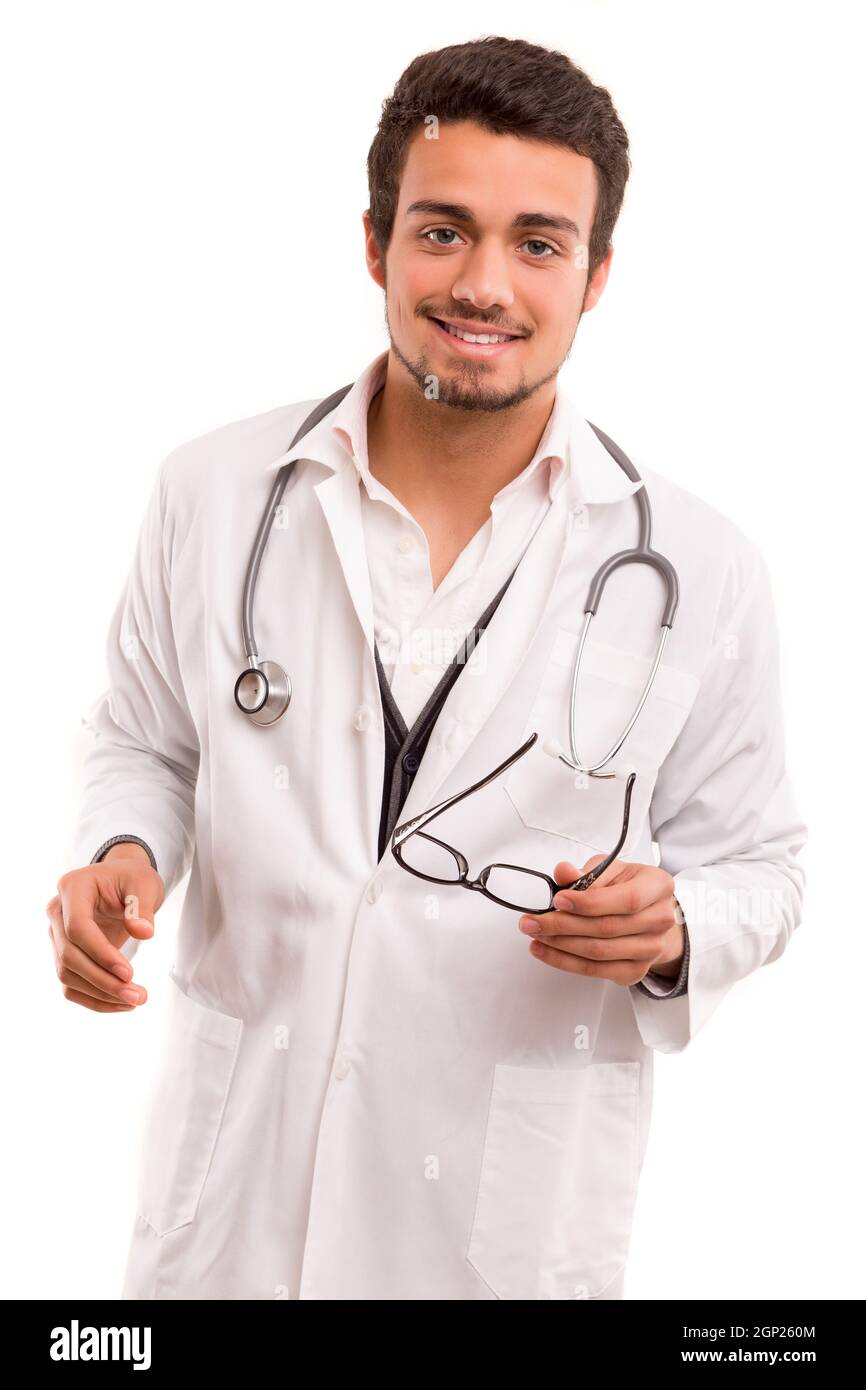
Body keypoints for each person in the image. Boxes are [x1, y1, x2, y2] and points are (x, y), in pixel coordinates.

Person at [48, 35, 807, 1300]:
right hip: (227, 1223)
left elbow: (762, 869)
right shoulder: (213, 491)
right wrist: (126, 853)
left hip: (493, 1240)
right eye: (442, 231)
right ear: (375, 244)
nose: (483, 284)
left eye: (537, 243)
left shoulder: (699, 568)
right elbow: (147, 737)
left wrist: (673, 924)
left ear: (596, 274)